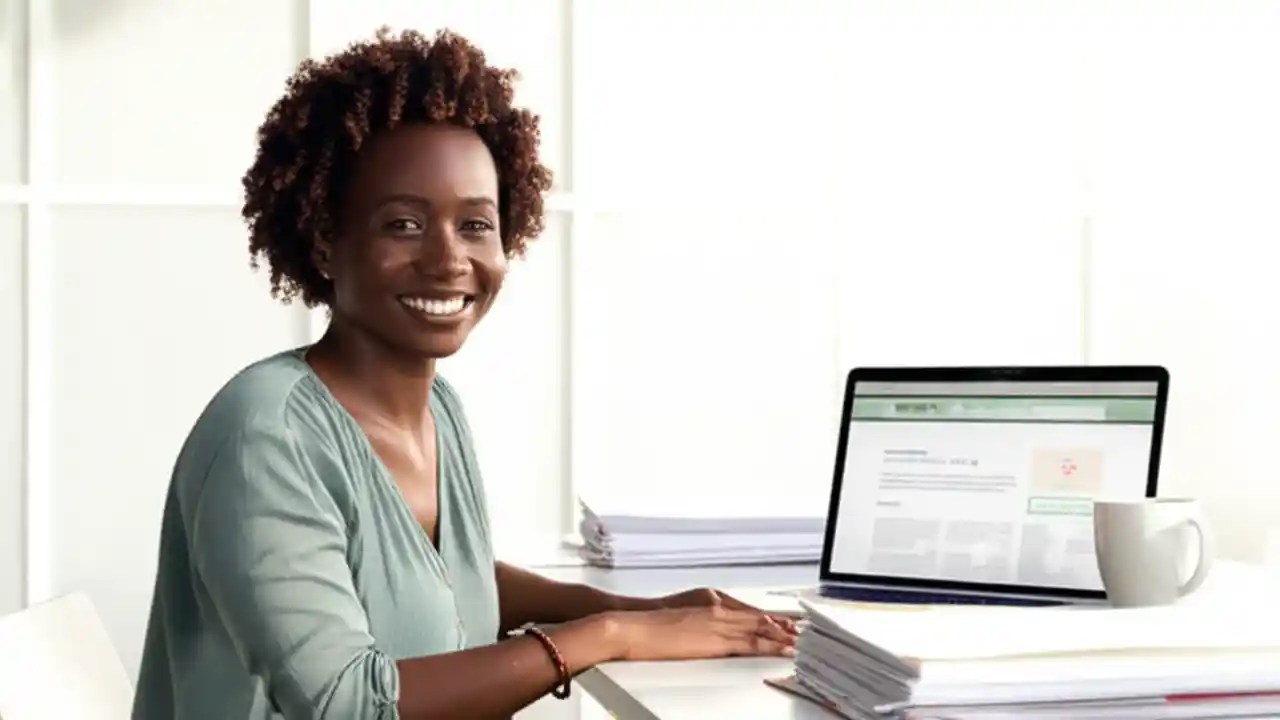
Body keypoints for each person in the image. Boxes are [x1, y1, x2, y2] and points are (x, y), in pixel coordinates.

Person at [132, 27, 797, 720]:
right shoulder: (266, 438)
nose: (449, 260)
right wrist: (613, 635)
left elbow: (449, 586)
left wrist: (640, 609)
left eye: (476, 225)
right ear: (326, 243)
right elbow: (349, 705)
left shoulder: (437, 407)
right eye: (404, 225)